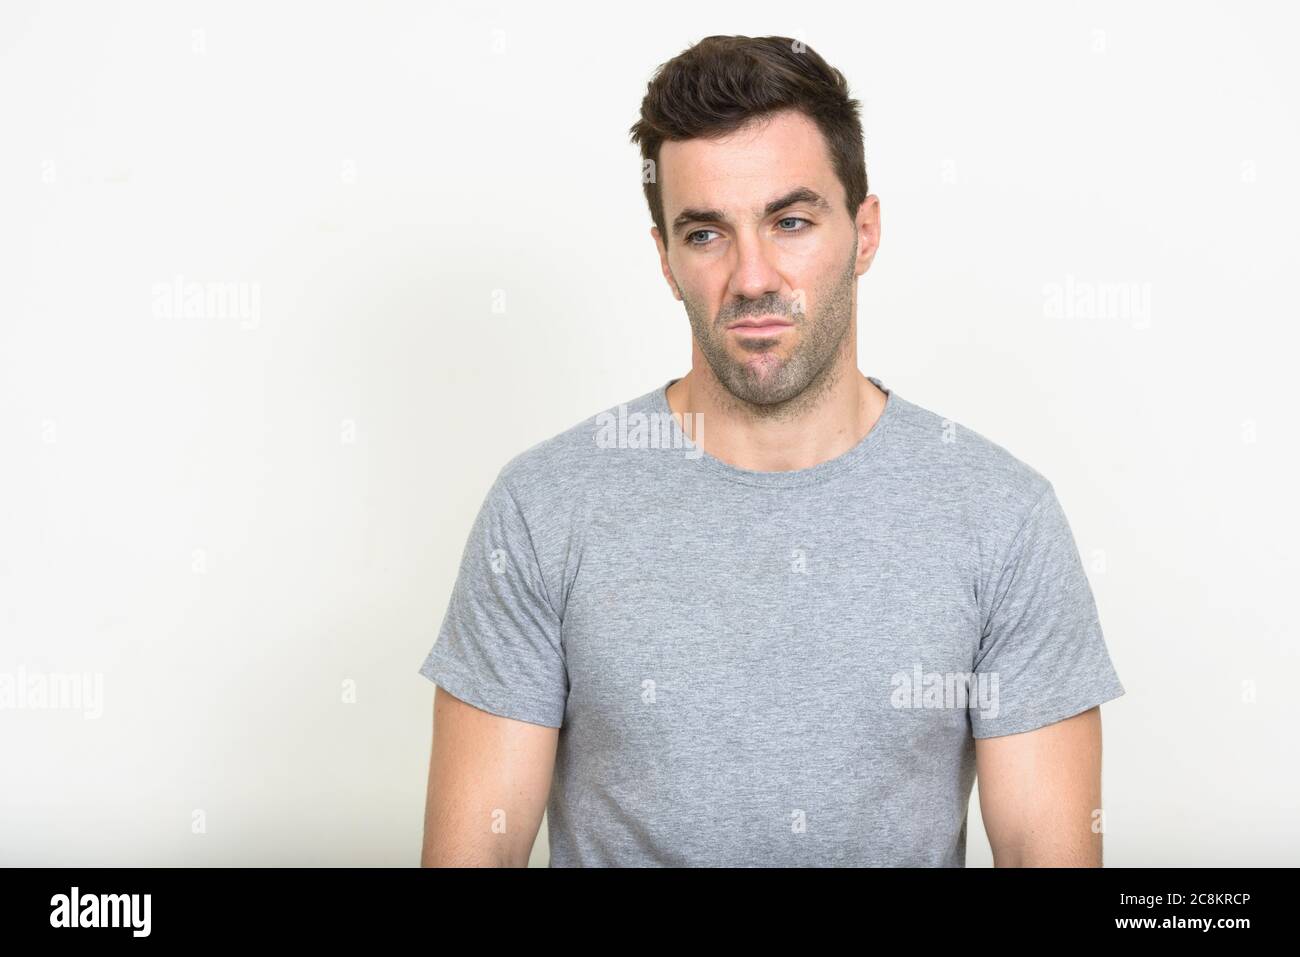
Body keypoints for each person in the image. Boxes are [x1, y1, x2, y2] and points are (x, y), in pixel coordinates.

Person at [419, 35, 1124, 867]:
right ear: (666, 260)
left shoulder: (1003, 520)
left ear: (864, 233)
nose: (752, 276)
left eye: (791, 222)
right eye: (708, 233)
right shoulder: (544, 509)